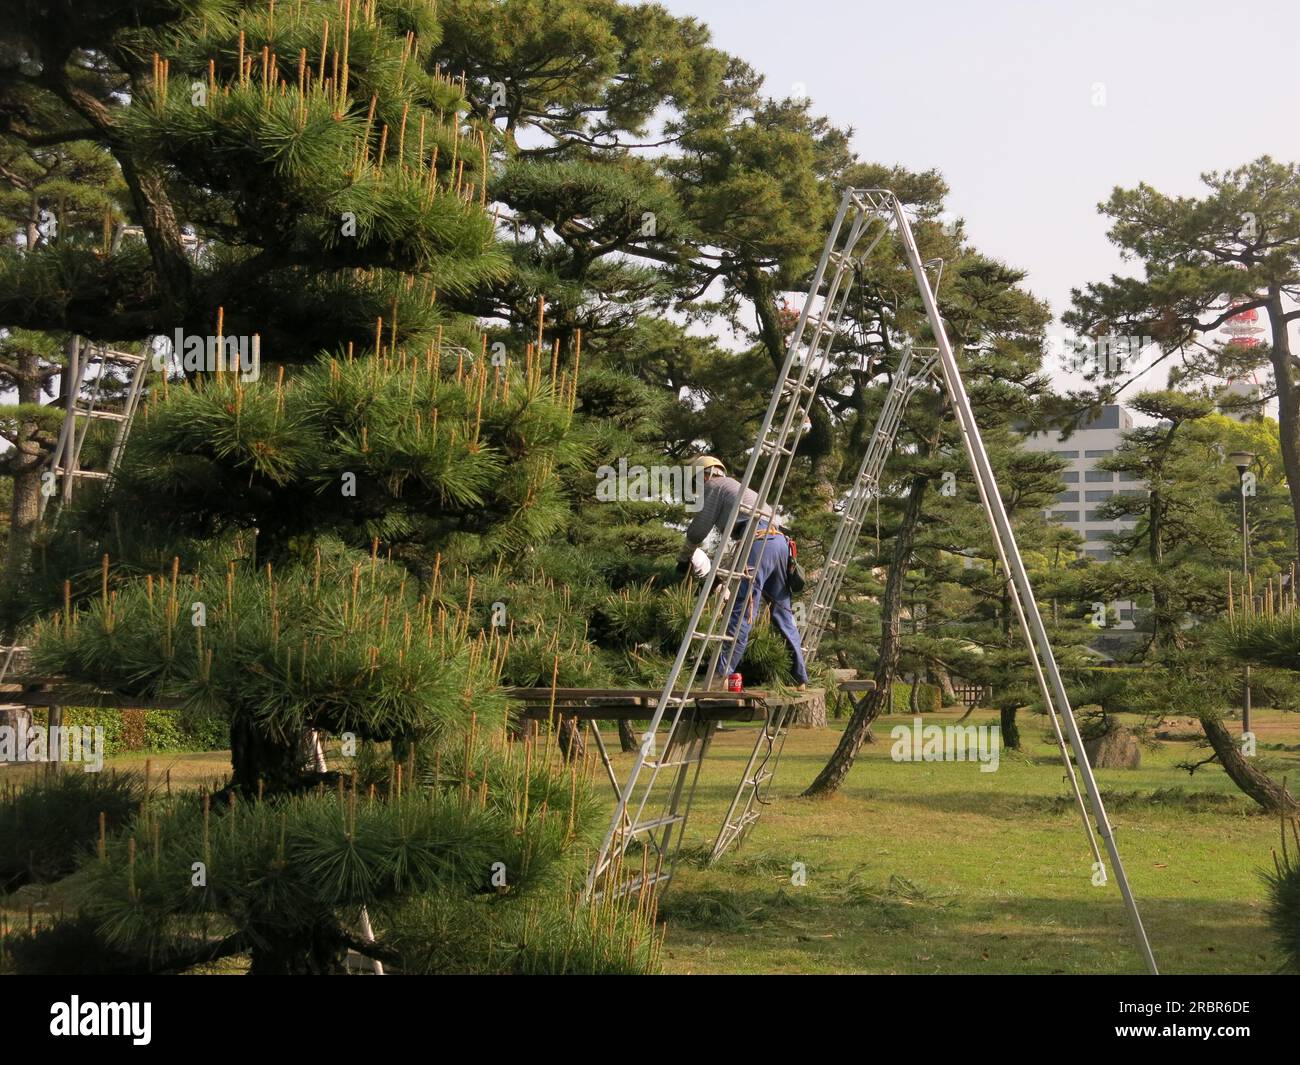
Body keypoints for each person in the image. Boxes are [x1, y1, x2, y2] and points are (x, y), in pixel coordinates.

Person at [675, 456, 808, 689]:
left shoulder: (713, 486)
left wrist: (684, 557)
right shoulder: (737, 487)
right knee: (784, 614)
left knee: (742, 609)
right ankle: (800, 677)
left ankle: (720, 676)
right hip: (780, 544)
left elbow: (698, 531)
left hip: (758, 543)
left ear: (703, 475)